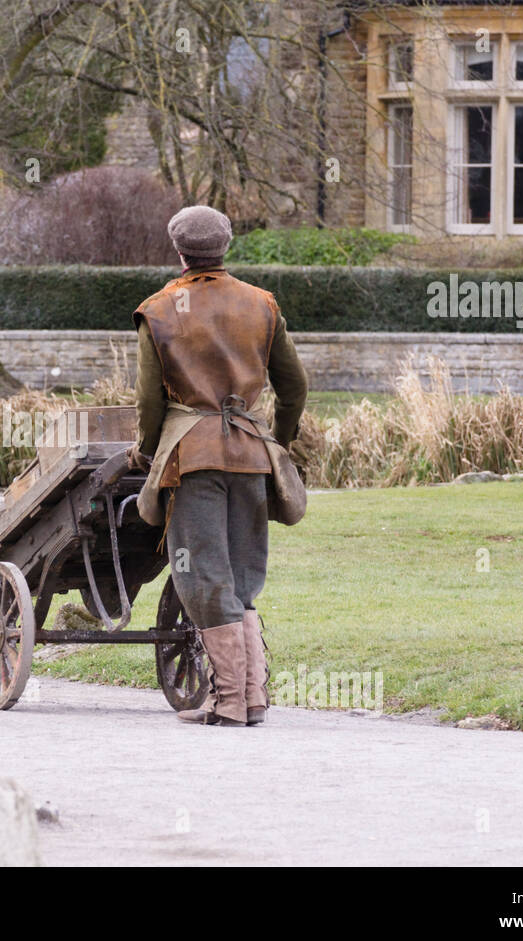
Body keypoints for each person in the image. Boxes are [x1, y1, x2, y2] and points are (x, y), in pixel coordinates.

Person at [128, 206, 308, 727]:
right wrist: (278, 440)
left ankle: (228, 702)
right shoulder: (261, 304)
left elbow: (149, 403)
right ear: (225, 246)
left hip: (194, 458)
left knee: (203, 575)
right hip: (251, 455)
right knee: (244, 577)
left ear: (179, 251)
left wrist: (145, 449)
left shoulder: (160, 311)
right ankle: (251, 699)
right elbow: (294, 386)